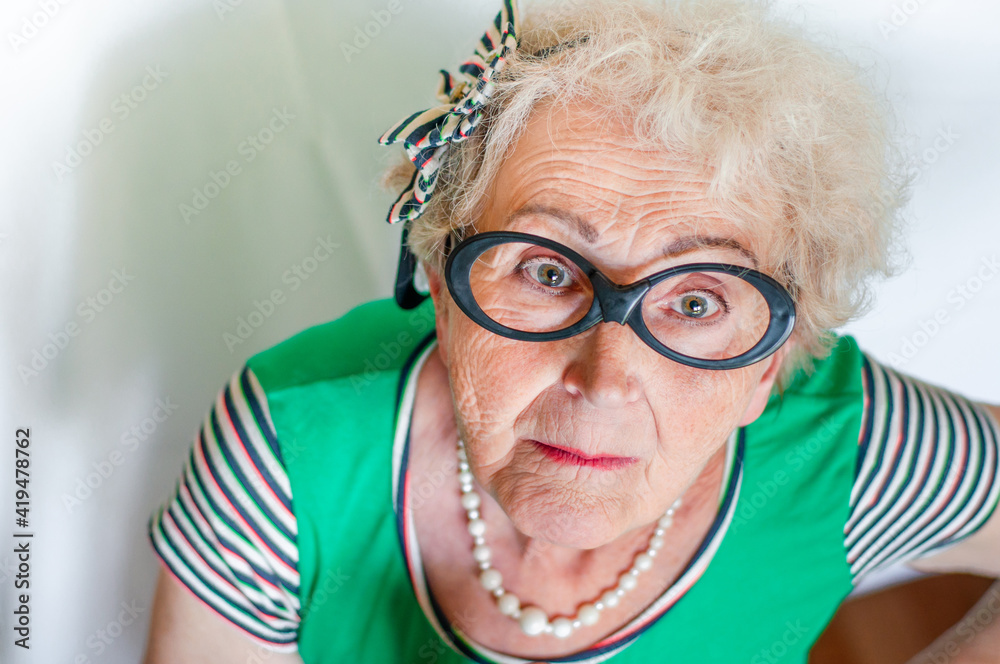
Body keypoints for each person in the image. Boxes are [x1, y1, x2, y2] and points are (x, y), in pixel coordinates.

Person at [140, 0, 1000, 662]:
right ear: (441, 286)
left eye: (697, 301)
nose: (605, 375)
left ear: (770, 363)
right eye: (549, 273)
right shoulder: (292, 449)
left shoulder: (845, 450)